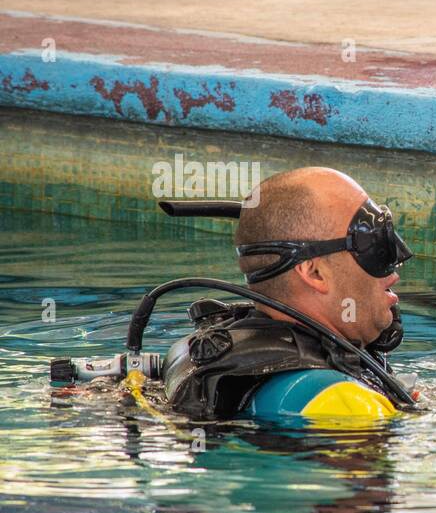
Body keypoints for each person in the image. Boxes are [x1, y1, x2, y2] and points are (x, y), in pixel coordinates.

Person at [161, 167, 415, 421]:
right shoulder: (345, 405)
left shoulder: (204, 354)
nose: (396, 261)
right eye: (375, 245)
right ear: (315, 272)